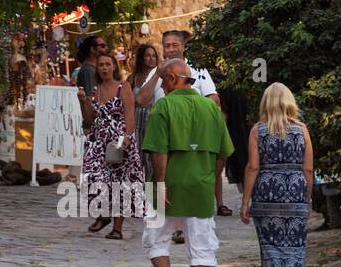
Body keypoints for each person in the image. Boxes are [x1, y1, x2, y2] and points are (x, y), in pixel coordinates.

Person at [141, 59, 234, 267]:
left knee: (156, 239)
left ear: (171, 79)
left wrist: (159, 183)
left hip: (168, 185)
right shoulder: (211, 108)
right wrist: (209, 177)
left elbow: (158, 151)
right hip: (201, 187)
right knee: (202, 245)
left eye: (162, 79)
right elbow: (223, 153)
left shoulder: (164, 107)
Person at [134, 28, 231, 226]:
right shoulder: (156, 71)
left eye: (174, 45)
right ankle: (173, 222)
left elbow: (213, 98)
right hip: (162, 130)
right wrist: (158, 75)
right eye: (166, 45)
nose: (170, 49)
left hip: (192, 132)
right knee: (163, 173)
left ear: (183, 47)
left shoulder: (198, 70)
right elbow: (141, 100)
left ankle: (189, 218)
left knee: (186, 176)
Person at [240, 82, 313, 267]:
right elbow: (309, 168)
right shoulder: (302, 130)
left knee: (269, 245)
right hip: (295, 192)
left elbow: (253, 167)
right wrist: (307, 197)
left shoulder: (257, 130)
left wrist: (245, 202)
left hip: (266, 193)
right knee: (295, 245)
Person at [78, 51, 144, 239]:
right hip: (98, 140)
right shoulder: (95, 90)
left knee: (120, 182)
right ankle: (104, 213)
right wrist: (83, 102)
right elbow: (89, 118)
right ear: (97, 69)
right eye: (101, 65)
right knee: (95, 178)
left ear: (114, 66)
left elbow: (130, 115)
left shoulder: (123, 87)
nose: (105, 68)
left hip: (119, 139)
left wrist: (126, 139)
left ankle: (117, 228)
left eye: (108, 64)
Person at [128, 42, 159, 179]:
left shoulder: (160, 77)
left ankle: (152, 190)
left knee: (151, 158)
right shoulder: (133, 78)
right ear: (141, 58)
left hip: (152, 119)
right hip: (136, 120)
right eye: (148, 56)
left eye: (154, 56)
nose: (151, 58)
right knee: (137, 156)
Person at [75, 35, 109, 100]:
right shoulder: (88, 71)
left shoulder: (94, 69)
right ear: (92, 49)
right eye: (102, 46)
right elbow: (91, 99)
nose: (106, 48)